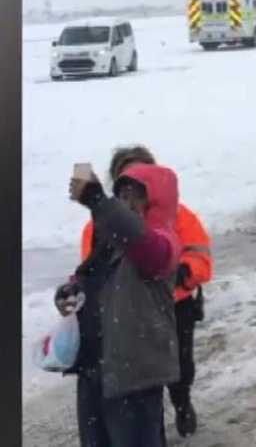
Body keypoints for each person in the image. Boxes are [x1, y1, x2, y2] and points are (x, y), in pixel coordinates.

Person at [77, 146, 212, 438]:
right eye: (125, 185)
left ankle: (181, 402)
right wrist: (74, 290)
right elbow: (92, 273)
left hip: (175, 306)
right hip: (118, 336)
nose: (131, 197)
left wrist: (186, 274)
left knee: (178, 372)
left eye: (139, 185)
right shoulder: (101, 226)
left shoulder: (169, 223)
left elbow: (165, 249)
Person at [56, 161, 182, 447]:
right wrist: (69, 293)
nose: (126, 202)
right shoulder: (110, 244)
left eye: (135, 195)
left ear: (157, 201)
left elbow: (142, 244)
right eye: (122, 195)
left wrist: (99, 202)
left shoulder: (165, 244)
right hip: (96, 375)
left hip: (133, 379)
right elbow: (85, 279)